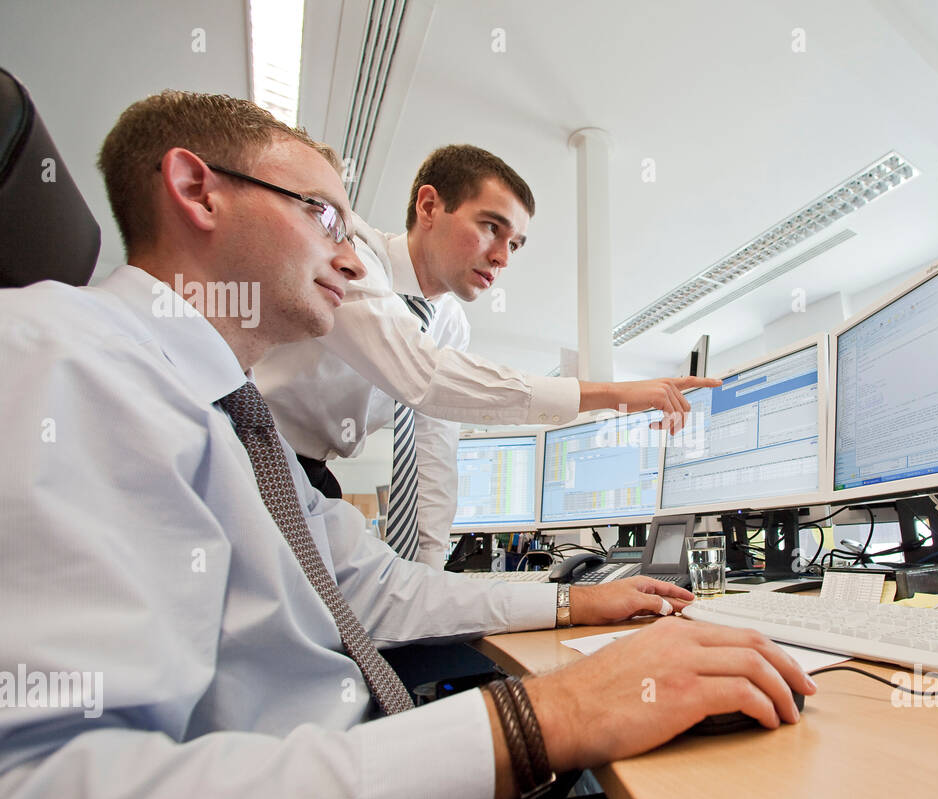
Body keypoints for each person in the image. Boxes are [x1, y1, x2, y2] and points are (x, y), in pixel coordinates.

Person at [0, 91, 814, 799]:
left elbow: (377, 587)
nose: (352, 258)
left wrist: (571, 600)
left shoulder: (236, 427)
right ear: (197, 191)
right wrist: (543, 720)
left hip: (333, 787)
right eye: (323, 216)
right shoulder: (59, 359)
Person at [256, 145, 720, 565]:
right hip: (256, 454)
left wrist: (428, 573)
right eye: (490, 228)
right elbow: (425, 378)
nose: (503, 257)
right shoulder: (355, 259)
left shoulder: (450, 322)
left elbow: (432, 452)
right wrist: (611, 394)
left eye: (514, 243)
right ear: (429, 206)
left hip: (313, 477)